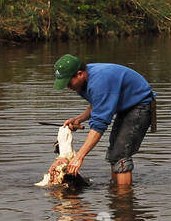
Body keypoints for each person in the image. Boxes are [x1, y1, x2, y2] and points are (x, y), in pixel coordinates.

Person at [51, 54, 155, 187]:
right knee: (114, 154)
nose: (67, 87)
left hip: (140, 105)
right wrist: (79, 119)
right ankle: (116, 192)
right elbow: (98, 103)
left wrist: (79, 157)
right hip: (125, 107)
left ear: (79, 74)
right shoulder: (83, 83)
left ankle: (124, 201)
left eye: (68, 82)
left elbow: (99, 125)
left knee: (120, 154)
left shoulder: (99, 81)